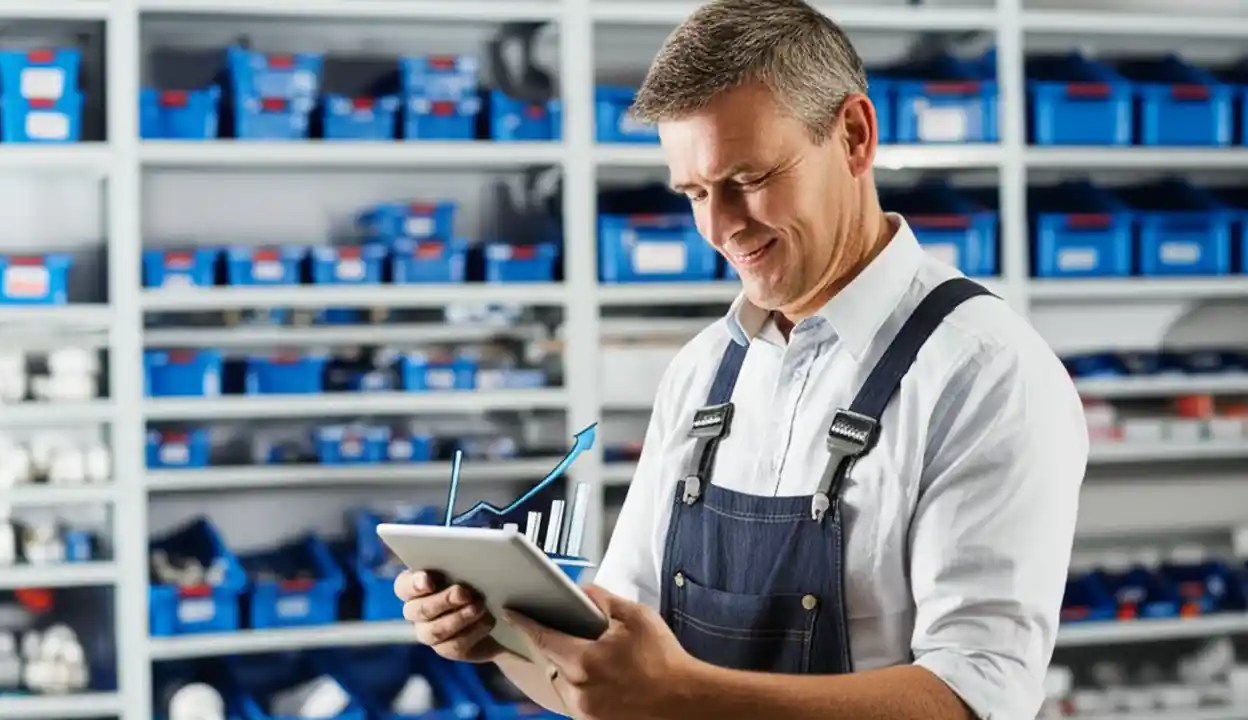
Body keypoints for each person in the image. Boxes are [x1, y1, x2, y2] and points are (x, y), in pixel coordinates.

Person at [394, 0, 1089, 717]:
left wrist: (684, 694)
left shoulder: (984, 373)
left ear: (853, 135)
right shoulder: (705, 372)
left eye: (748, 179)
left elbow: (975, 698)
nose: (720, 228)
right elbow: (615, 683)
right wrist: (502, 639)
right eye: (695, 193)